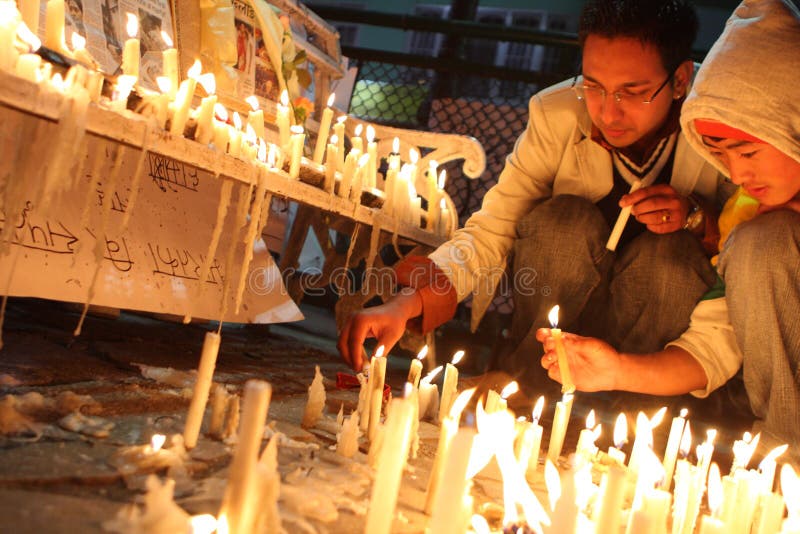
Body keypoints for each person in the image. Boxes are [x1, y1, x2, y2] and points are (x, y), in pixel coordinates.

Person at [338, 0, 726, 396]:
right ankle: (526, 383)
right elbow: (494, 229)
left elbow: (741, 241)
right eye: (593, 85)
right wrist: (407, 303)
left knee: (671, 255)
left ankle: (631, 406)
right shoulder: (556, 114)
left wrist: (697, 218)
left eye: (633, 92)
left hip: (651, 353)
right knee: (563, 221)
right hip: (554, 330)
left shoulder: (718, 126)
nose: (608, 113)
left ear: (680, 80)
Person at [539, 0, 800, 448]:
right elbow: (714, 342)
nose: (736, 176)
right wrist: (617, 369)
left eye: (749, 152)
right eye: (721, 155)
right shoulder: (756, 228)